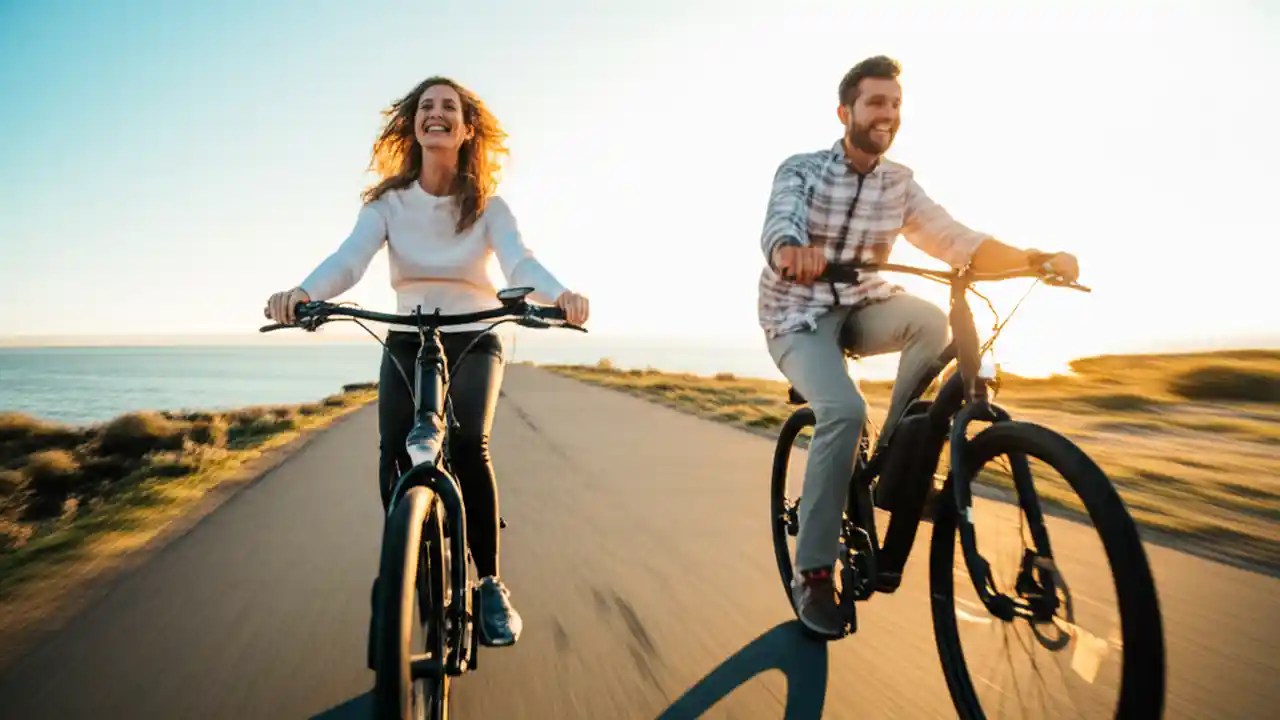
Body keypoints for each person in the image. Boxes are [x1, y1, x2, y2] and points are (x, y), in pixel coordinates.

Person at [757, 55, 1078, 638]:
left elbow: (954, 238)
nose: (888, 114)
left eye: (896, 104)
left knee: (932, 322)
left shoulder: (898, 183)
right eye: (877, 102)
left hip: (864, 305)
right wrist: (790, 249)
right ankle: (814, 574)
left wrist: (1032, 258)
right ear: (845, 111)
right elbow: (781, 221)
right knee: (845, 411)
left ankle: (889, 469)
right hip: (797, 316)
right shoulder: (802, 169)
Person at [264, 76, 589, 648]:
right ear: (414, 125)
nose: (435, 114)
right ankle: (405, 553)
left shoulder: (489, 207)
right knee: (393, 449)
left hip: (474, 334)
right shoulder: (388, 203)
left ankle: (489, 582)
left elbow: (521, 266)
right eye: (425, 107)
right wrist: (302, 293)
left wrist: (559, 296)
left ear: (466, 130)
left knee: (467, 447)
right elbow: (349, 259)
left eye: (449, 108)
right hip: (407, 336)